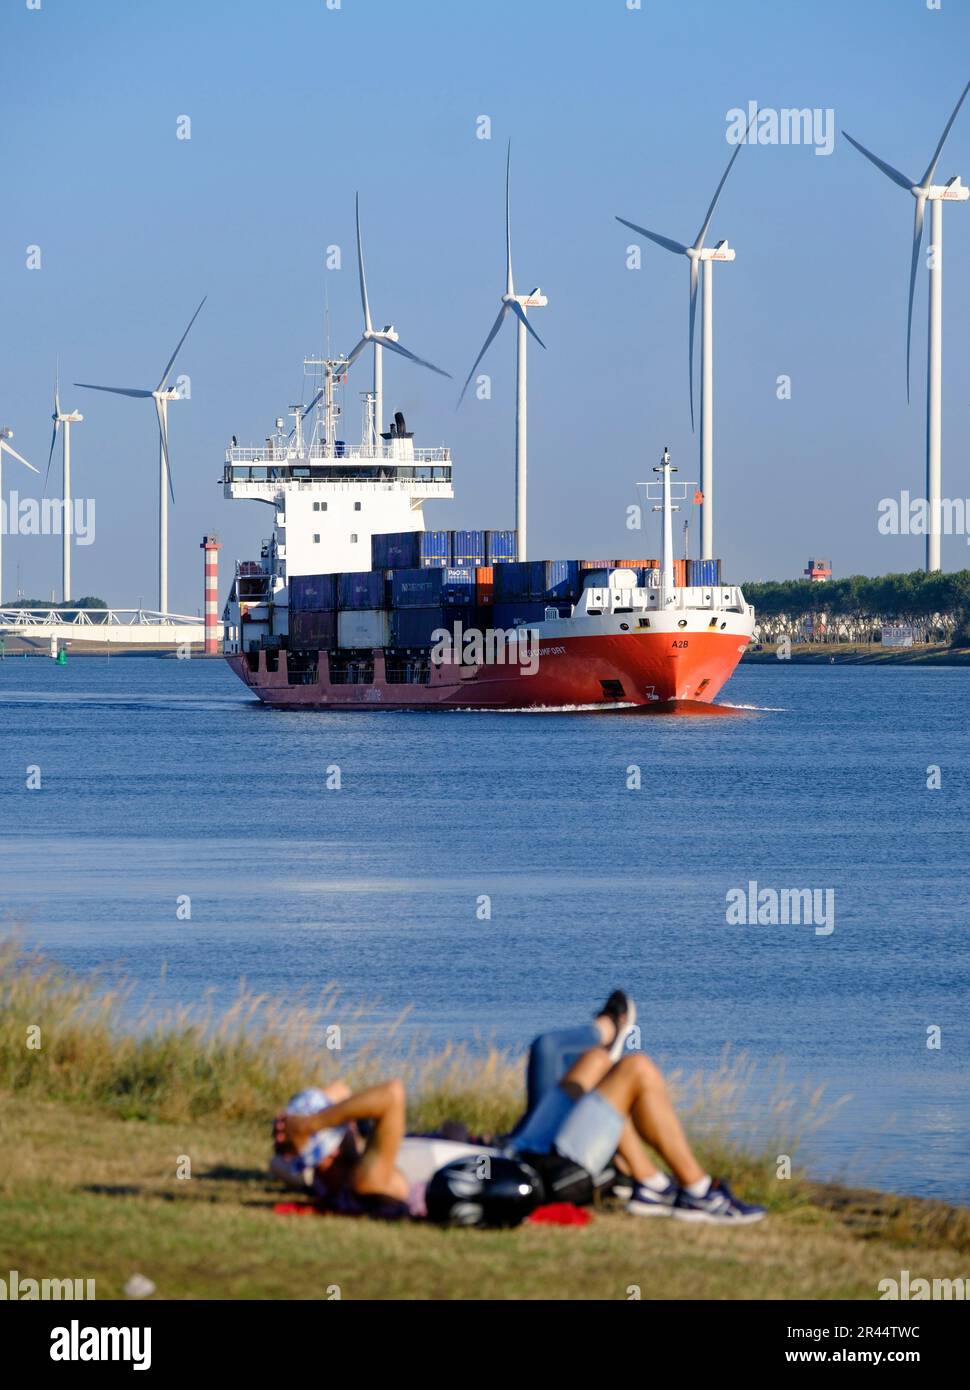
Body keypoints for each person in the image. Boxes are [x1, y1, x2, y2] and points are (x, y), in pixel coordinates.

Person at [507, 1031, 766, 1225]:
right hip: (549, 1168)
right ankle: (698, 1191)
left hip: (525, 1142)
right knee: (637, 1068)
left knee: (596, 1060)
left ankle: (651, 1185)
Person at [270, 1076, 413, 1219]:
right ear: (332, 1152)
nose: (352, 1123)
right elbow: (393, 1093)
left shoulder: (315, 1178)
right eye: (346, 1127)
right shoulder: (365, 1179)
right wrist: (311, 1124)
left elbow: (341, 1090)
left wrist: (291, 1122)